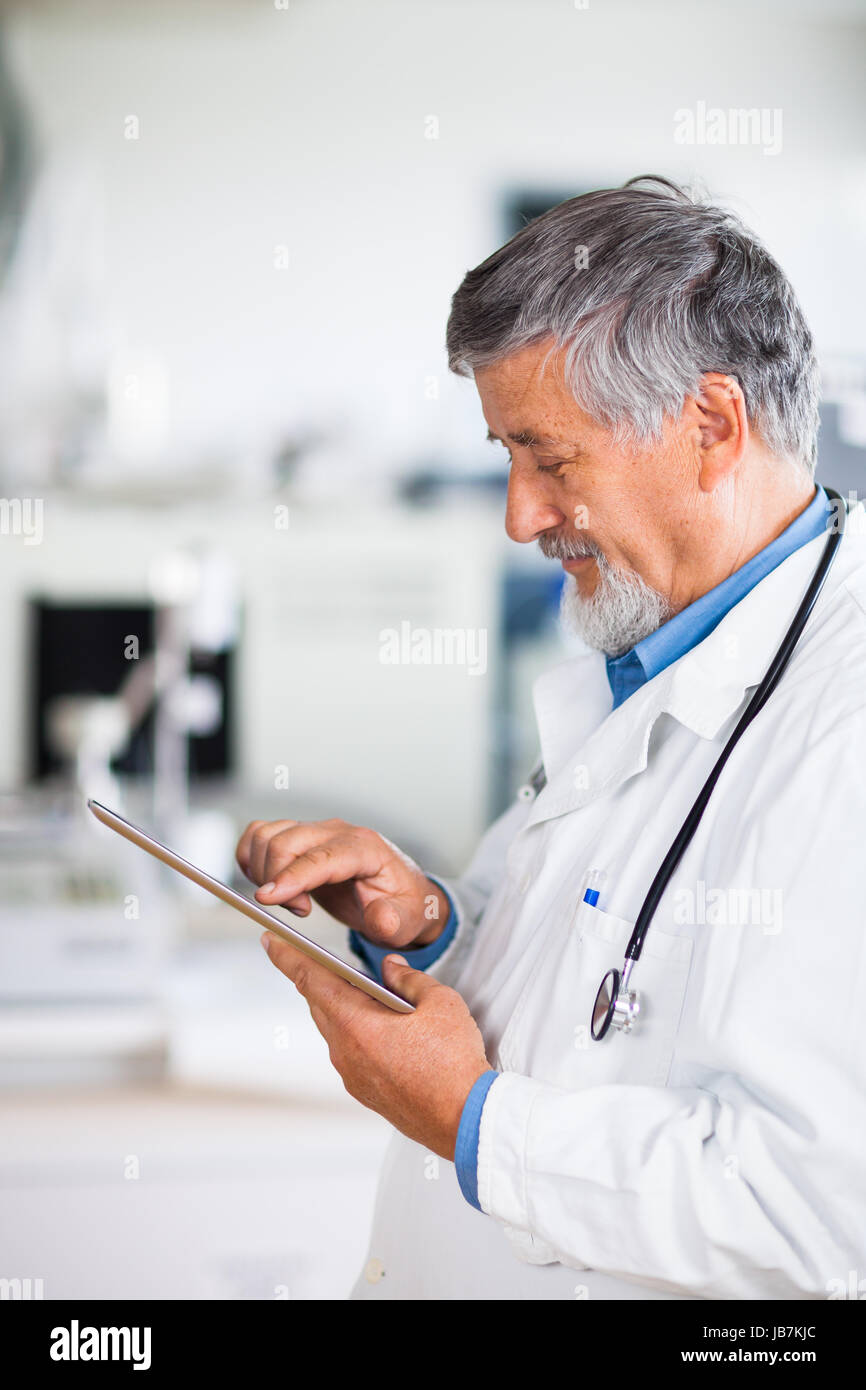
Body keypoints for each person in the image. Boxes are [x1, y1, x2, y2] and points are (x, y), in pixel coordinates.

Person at [236, 177, 866, 1299]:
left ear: (710, 426)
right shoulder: (649, 642)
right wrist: (431, 924)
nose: (519, 515)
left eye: (550, 459)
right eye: (505, 456)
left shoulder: (841, 719)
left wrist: (476, 1126)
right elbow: (588, 978)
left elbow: (814, 1212)